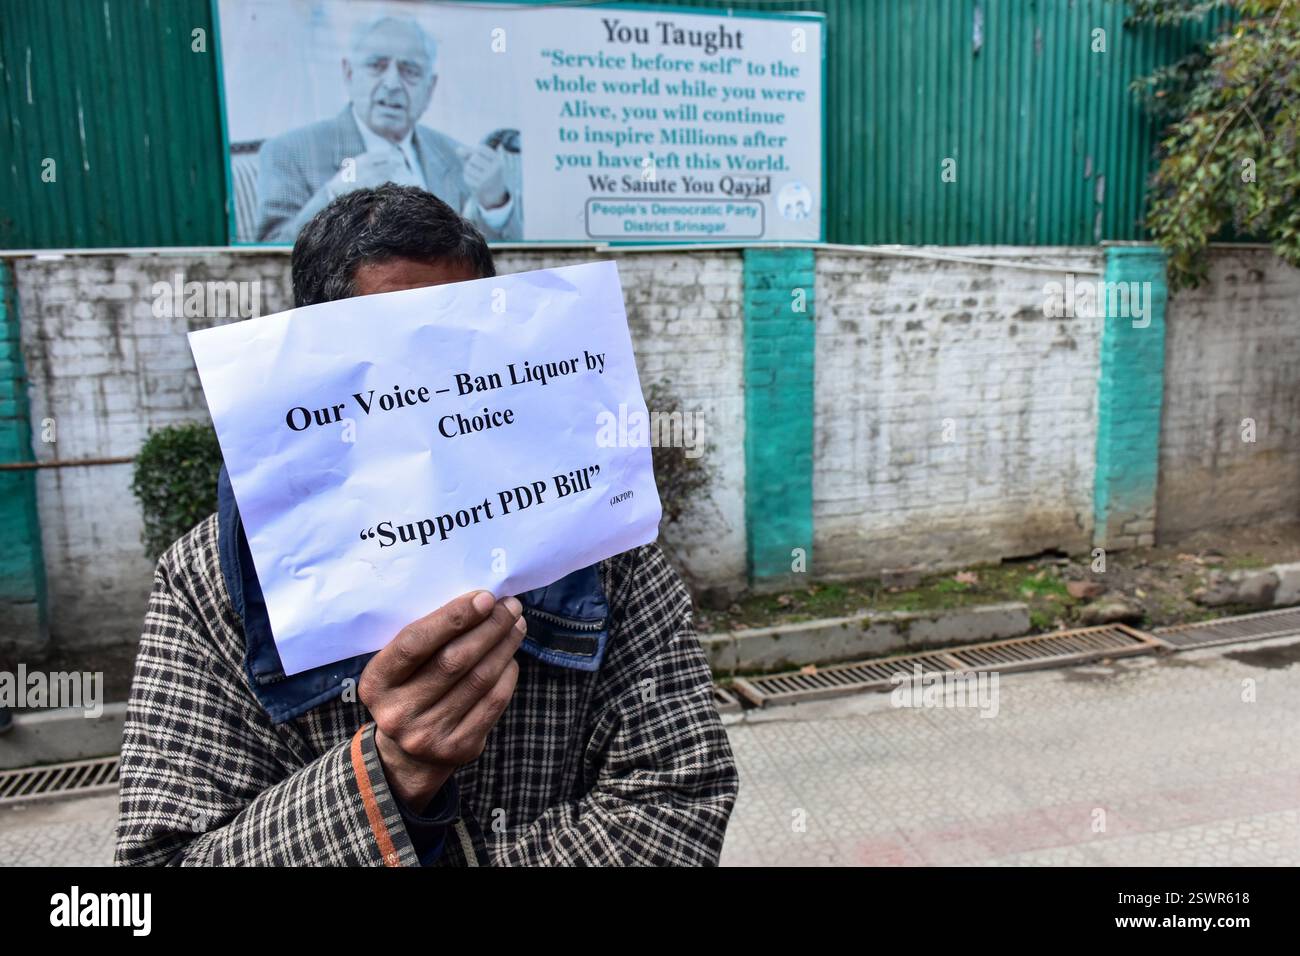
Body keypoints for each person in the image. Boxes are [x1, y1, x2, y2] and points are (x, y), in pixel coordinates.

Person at [115, 184, 738, 866]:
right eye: (394, 369)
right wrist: (387, 775)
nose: (439, 399)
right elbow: (161, 860)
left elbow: (681, 797)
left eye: (463, 355)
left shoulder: (599, 541)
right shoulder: (211, 582)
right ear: (313, 369)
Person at [253, 15, 522, 243]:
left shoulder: (455, 157)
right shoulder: (290, 152)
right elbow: (266, 259)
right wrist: (334, 195)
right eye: (377, 66)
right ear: (348, 73)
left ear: (430, 88)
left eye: (410, 70)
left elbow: (504, 271)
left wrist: (493, 205)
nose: (392, 83)